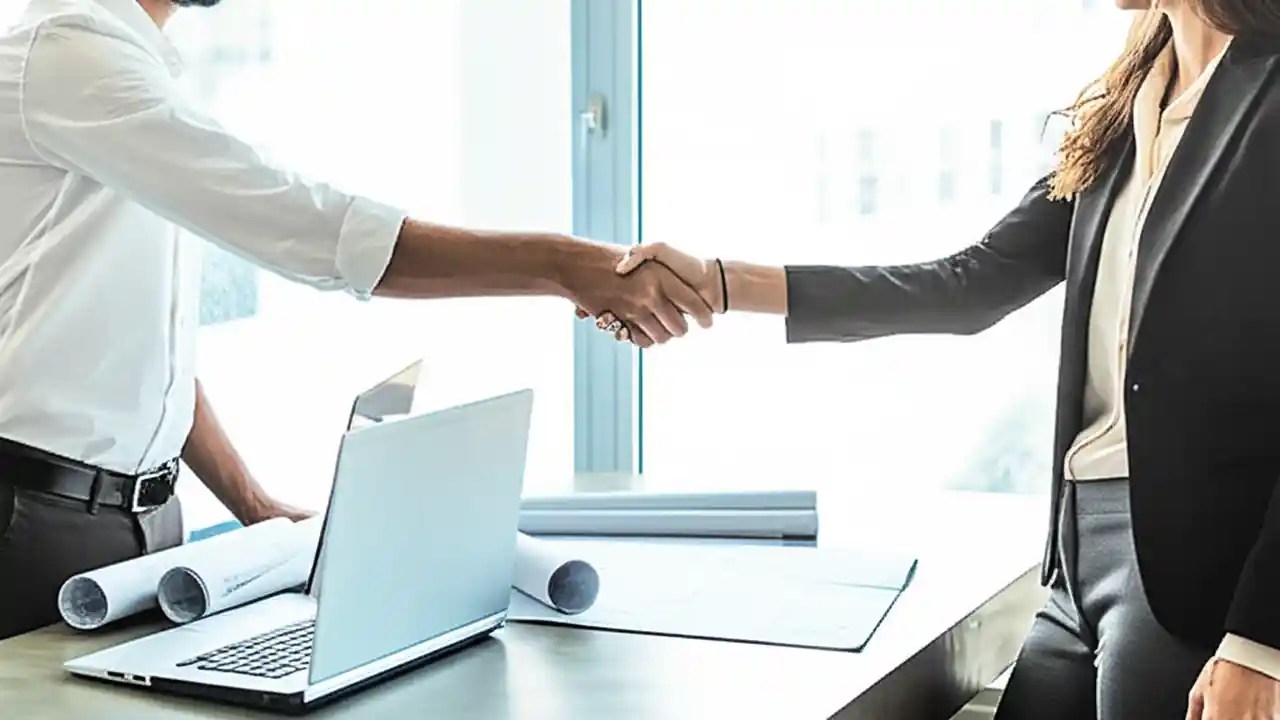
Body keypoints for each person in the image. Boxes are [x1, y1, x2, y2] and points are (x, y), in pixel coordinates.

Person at [596, 1, 1280, 718]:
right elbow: (972, 284)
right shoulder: (1128, 101)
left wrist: (1262, 639)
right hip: (1075, 560)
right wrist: (721, 282)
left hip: (1197, 572)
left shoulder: (1267, 92)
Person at [0, 0, 711, 642]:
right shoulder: (69, 53)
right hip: (36, 520)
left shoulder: (133, 66)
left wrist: (257, 508)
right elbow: (302, 223)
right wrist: (560, 265)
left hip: (147, 521)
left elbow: (147, 353)